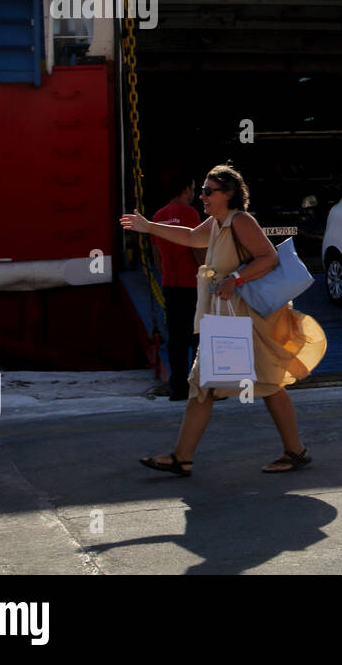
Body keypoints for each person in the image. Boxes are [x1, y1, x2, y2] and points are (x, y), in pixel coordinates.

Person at [120, 164, 326, 475]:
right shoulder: (218, 223)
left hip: (243, 320)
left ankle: (294, 451)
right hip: (226, 319)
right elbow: (190, 237)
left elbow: (268, 258)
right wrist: (149, 226)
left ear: (228, 194)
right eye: (201, 190)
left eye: (208, 191)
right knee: (206, 385)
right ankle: (182, 457)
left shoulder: (241, 221)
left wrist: (236, 279)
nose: (201, 196)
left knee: (266, 383)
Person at [152, 173, 204, 401]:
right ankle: (202, 386)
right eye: (193, 189)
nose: (195, 194)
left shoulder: (158, 216)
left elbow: (156, 257)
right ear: (186, 190)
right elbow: (196, 247)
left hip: (171, 285)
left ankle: (179, 388)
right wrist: (209, 271)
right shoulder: (190, 213)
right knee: (199, 337)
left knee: (177, 339)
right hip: (192, 284)